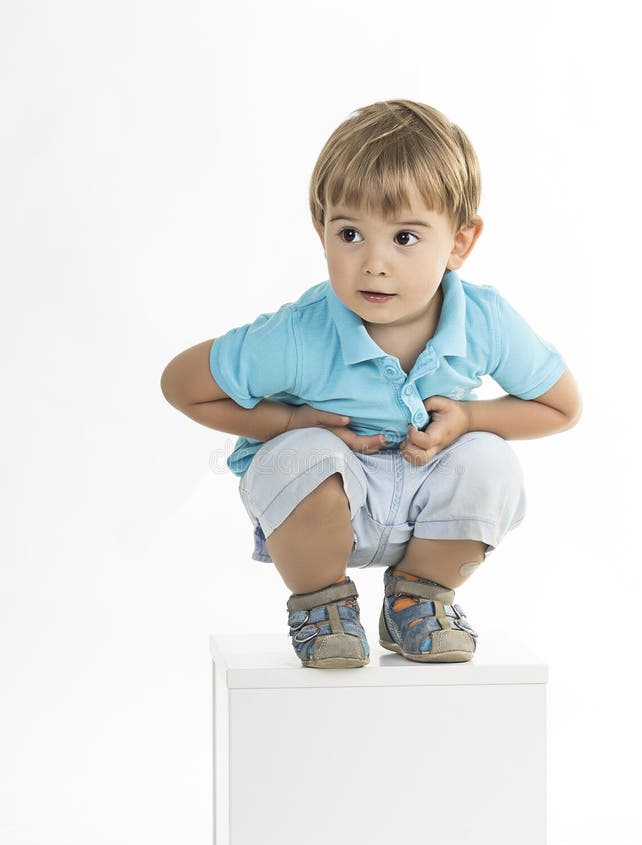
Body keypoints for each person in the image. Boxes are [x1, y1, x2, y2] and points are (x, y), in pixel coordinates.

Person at [160, 99, 582, 670]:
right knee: (301, 455)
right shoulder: (300, 333)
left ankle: (419, 595)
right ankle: (321, 604)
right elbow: (182, 384)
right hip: (326, 505)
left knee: (490, 462)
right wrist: (286, 421)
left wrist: (474, 417)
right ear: (322, 231)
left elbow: (561, 407)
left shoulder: (484, 320)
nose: (373, 263)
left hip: (425, 504)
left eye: (405, 238)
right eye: (351, 233)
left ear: (459, 242)